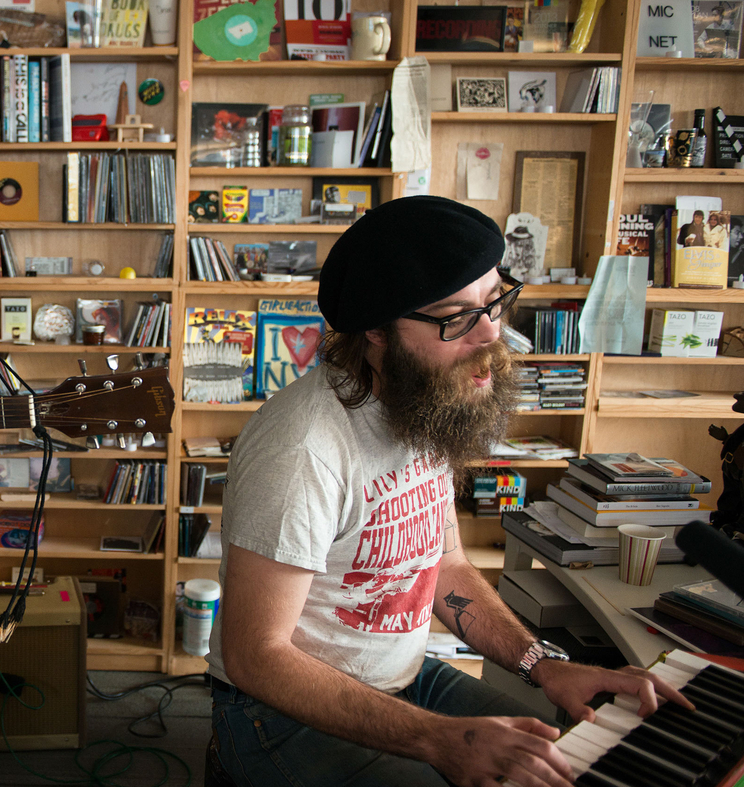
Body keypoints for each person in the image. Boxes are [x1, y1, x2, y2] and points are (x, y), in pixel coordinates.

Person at [206, 196, 694, 787]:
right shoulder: (303, 450)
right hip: (277, 712)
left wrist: (544, 665)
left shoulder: (425, 404)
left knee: (571, 763)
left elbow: (446, 564)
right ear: (377, 332)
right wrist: (440, 739)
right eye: (455, 317)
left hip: (406, 678)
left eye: (493, 302)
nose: (491, 335)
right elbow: (256, 656)